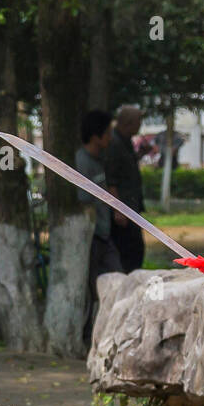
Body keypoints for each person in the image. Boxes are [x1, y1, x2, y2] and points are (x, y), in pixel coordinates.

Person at [75, 109, 123, 345]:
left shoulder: (99, 161)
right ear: (96, 136)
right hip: (90, 237)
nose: (110, 138)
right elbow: (84, 200)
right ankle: (86, 337)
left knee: (118, 281)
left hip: (105, 234)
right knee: (90, 289)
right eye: (107, 133)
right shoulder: (81, 162)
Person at [105, 105, 145, 272]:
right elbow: (111, 180)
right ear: (128, 123)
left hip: (131, 206)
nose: (140, 125)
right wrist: (118, 209)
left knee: (136, 250)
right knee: (129, 251)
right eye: (138, 121)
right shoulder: (114, 143)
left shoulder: (126, 140)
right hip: (123, 209)